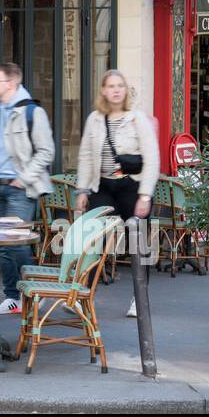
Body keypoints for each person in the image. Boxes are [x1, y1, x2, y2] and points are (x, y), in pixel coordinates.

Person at [74, 70, 160, 319]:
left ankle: (139, 299)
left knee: (138, 243)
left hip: (131, 186)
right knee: (92, 240)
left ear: (125, 90)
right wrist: (83, 189)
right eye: (111, 86)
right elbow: (85, 156)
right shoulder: (94, 119)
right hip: (102, 186)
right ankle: (83, 295)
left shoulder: (137, 119)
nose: (116, 90)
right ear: (103, 90)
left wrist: (145, 195)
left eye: (120, 86)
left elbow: (152, 158)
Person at [0, 62, 55, 316]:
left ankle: (35, 289)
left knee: (15, 244)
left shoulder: (32, 112)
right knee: (3, 245)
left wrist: (23, 178)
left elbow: (46, 152)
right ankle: (13, 298)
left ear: (10, 83)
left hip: (21, 189)